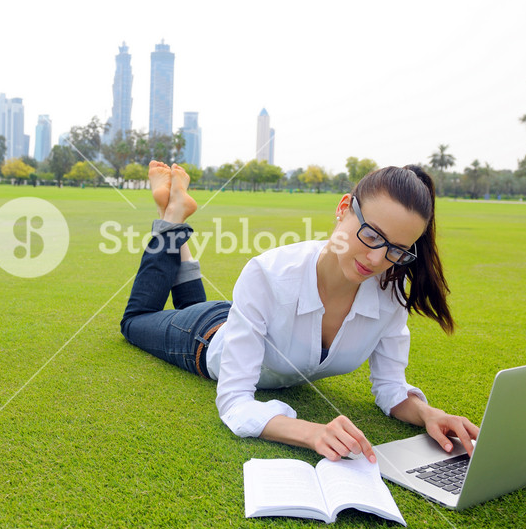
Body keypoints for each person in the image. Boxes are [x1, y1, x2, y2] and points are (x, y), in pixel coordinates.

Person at [120, 161, 480, 464]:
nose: (377, 259)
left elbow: (391, 389)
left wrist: (429, 414)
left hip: (244, 320)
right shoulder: (268, 273)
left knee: (189, 305)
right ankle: (170, 218)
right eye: (371, 235)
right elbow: (234, 402)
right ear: (343, 209)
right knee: (135, 320)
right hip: (204, 338)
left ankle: (176, 219)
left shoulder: (389, 295)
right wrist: (313, 432)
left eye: (397, 250)